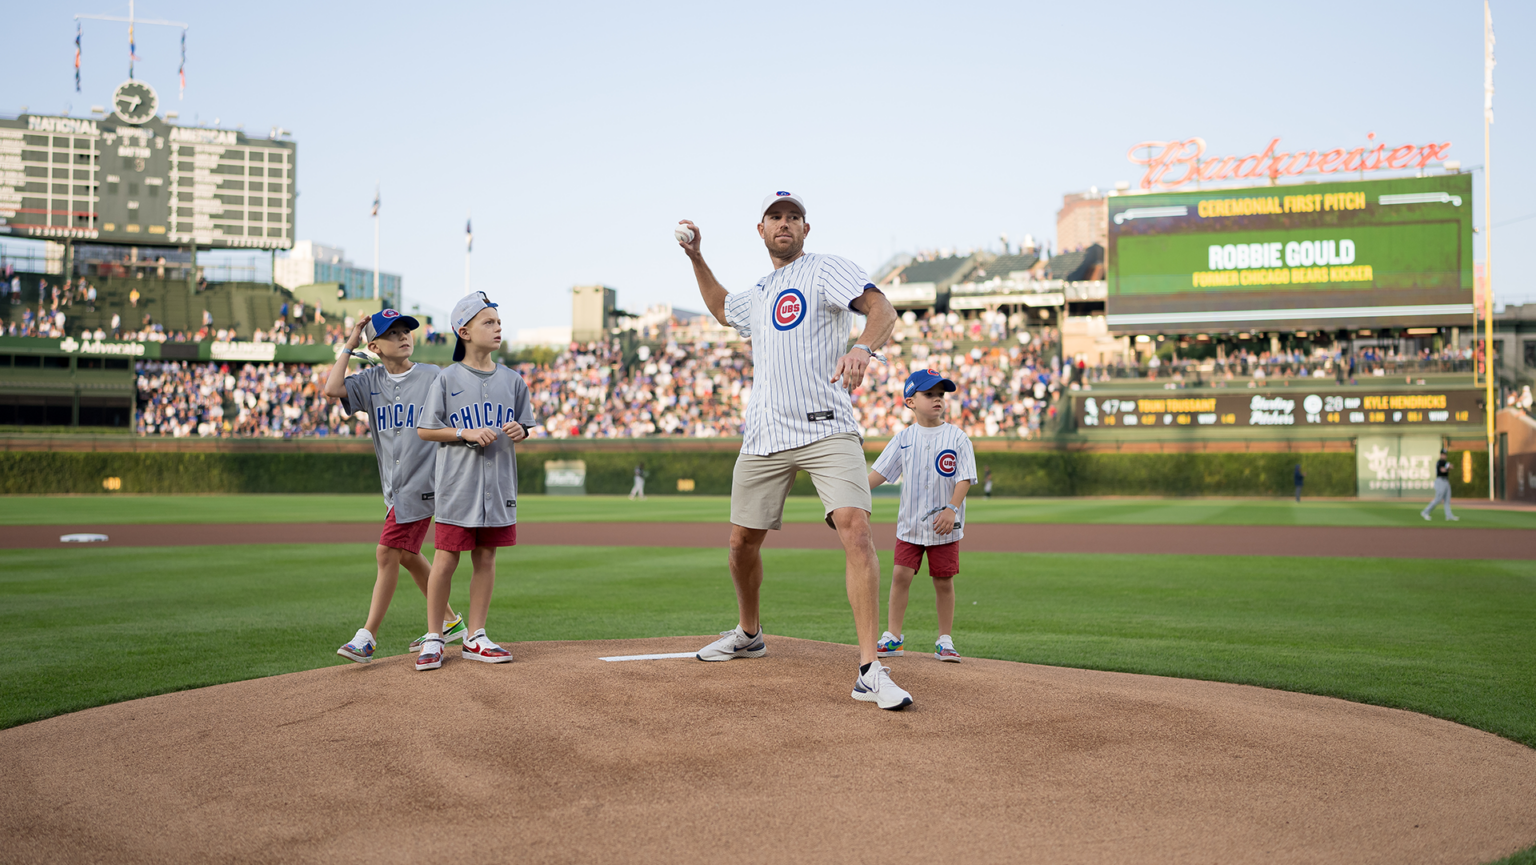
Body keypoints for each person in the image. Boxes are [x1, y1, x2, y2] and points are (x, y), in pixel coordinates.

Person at [678, 190, 910, 710]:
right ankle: (749, 633)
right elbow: (721, 308)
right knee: (741, 544)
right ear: (761, 230)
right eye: (775, 217)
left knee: (855, 526)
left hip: (826, 425)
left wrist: (862, 347)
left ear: (806, 229)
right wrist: (696, 257)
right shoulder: (760, 292)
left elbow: (882, 309)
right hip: (765, 434)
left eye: (793, 217)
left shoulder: (826, 269)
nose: (784, 223)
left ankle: (870, 669)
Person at [325, 309, 465, 663]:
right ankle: (450, 622)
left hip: (425, 482)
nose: (403, 336)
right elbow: (331, 388)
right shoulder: (370, 380)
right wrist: (351, 343)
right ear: (375, 346)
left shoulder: (432, 375)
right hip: (394, 486)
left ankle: (367, 636)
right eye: (392, 333)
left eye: (406, 330)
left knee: (386, 552)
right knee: (405, 554)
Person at [414, 291, 534, 671]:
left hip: (498, 486)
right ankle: (434, 636)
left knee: (486, 557)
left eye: (498, 322)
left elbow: (525, 425)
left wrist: (521, 431)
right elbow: (425, 430)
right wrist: (463, 433)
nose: (497, 328)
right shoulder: (447, 378)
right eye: (488, 322)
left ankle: (476, 636)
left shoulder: (513, 380)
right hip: (458, 486)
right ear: (463, 332)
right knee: (446, 559)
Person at [869, 370, 976, 663]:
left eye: (940, 394)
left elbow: (965, 477)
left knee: (943, 580)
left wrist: (952, 508)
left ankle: (945, 639)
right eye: (929, 394)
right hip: (911, 524)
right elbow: (879, 473)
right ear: (910, 401)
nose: (937, 399)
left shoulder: (958, 437)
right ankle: (893, 637)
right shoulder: (903, 438)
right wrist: (852, 491)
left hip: (945, 525)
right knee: (900, 576)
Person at [1421, 448, 1458, 522]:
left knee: (1447, 500)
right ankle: (1425, 512)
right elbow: (1442, 470)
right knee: (1438, 499)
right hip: (1440, 481)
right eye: (1443, 454)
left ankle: (1449, 515)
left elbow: (1451, 467)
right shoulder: (1439, 462)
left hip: (1446, 481)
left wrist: (1447, 467)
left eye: (1445, 454)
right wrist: (1447, 468)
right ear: (1441, 455)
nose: (1444, 456)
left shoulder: (1445, 462)